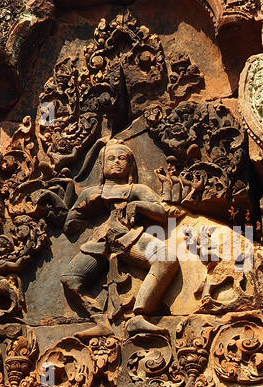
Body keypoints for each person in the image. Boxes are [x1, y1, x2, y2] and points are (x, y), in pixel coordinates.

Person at [61, 139, 183, 332]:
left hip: (128, 238)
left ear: (131, 165)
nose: (116, 162)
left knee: (166, 259)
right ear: (102, 165)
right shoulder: (91, 193)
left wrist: (138, 205)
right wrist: (85, 207)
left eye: (122, 158)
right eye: (110, 158)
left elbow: (162, 213)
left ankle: (141, 313)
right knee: (70, 280)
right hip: (99, 242)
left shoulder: (137, 189)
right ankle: (101, 321)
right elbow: (70, 226)